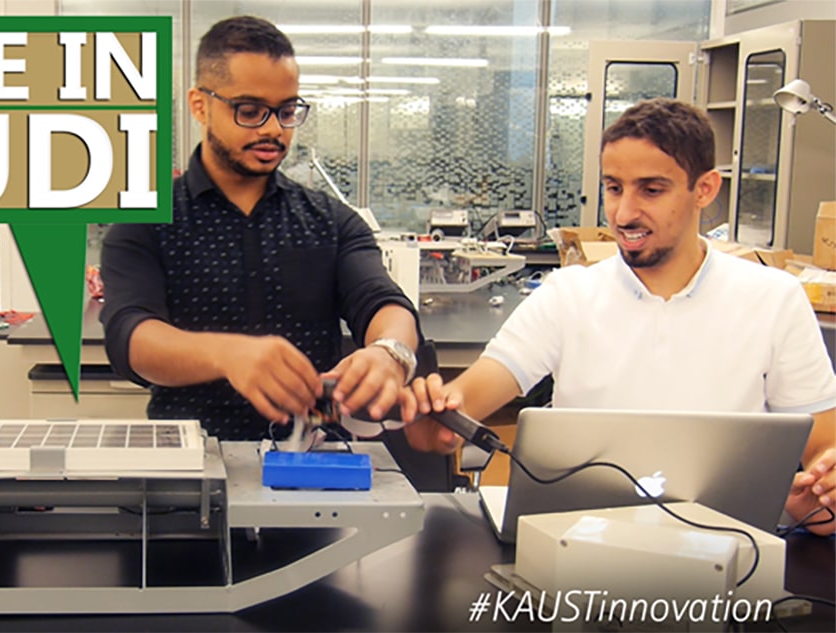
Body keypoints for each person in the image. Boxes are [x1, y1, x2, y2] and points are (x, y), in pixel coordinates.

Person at [400, 98, 836, 535]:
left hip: (733, 549)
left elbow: (824, 451)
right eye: (613, 188)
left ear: (704, 189)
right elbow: (462, 406)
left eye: (651, 190)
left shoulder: (774, 299)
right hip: (577, 547)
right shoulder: (568, 296)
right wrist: (432, 418)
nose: (624, 214)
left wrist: (820, 494)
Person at [100, 16, 422, 441]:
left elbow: (384, 303)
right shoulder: (146, 222)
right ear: (200, 105)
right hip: (189, 459)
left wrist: (389, 353)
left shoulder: (331, 221)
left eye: (286, 112)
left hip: (313, 459)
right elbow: (130, 337)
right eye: (250, 111)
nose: (273, 129)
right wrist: (227, 354)